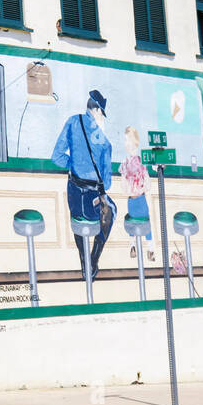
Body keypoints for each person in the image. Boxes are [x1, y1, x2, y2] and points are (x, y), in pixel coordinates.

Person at [51, 89, 115, 278]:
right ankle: (94, 259)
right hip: (91, 199)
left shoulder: (72, 122)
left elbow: (56, 157)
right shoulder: (104, 142)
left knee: (78, 220)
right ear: (96, 111)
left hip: (73, 194)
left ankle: (82, 260)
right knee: (111, 210)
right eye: (102, 114)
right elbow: (108, 183)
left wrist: (74, 164)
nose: (102, 118)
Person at [120, 126, 152, 244]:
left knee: (140, 222)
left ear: (135, 141)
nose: (126, 143)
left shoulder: (134, 161)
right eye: (125, 140)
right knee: (138, 222)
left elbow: (147, 183)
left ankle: (144, 247)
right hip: (137, 199)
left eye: (127, 140)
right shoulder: (129, 162)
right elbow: (147, 184)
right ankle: (141, 247)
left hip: (137, 199)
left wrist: (132, 189)